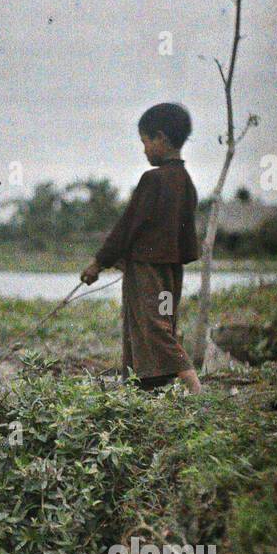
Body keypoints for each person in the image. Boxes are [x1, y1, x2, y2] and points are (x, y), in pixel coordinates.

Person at [80, 103, 202, 394]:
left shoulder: (153, 180)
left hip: (147, 271)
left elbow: (127, 226)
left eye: (145, 142)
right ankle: (144, 389)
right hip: (170, 272)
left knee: (151, 326)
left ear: (160, 138)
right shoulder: (185, 181)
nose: (145, 149)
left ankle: (196, 391)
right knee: (162, 323)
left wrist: (99, 263)